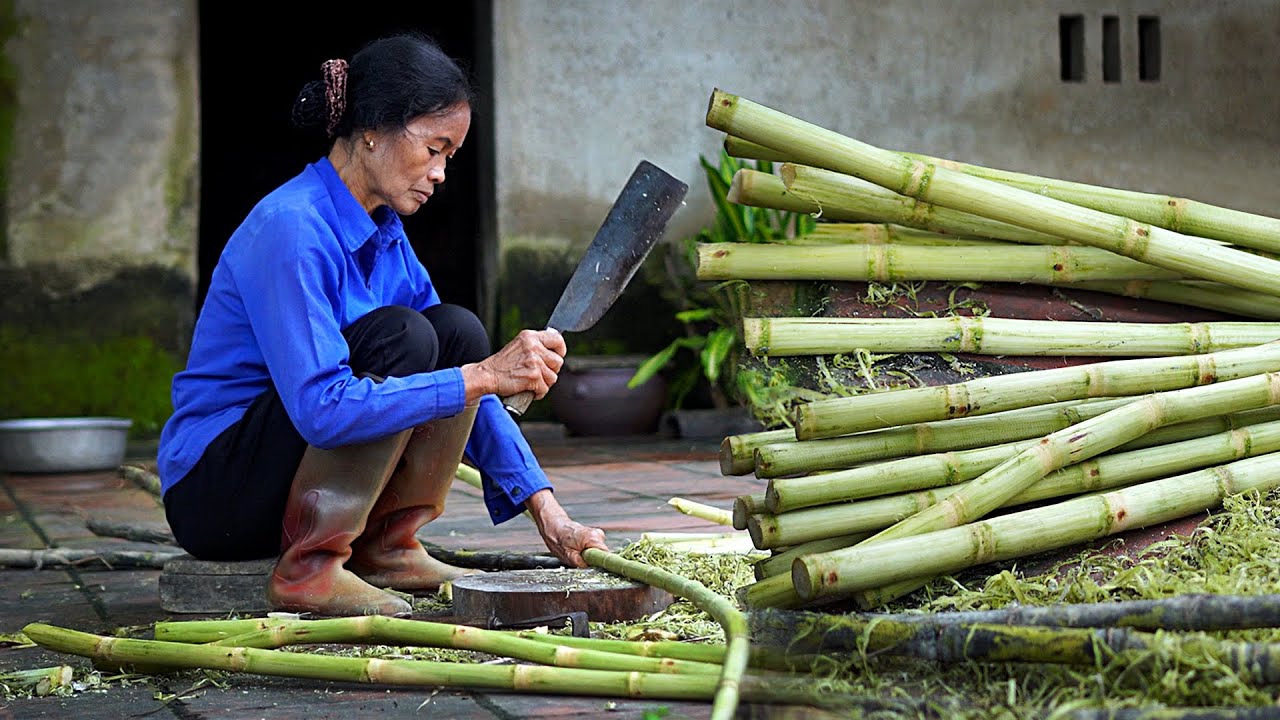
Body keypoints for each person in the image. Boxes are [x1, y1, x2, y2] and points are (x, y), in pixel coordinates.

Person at [156, 31, 609, 617]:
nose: (442, 173)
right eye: (435, 149)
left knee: (457, 332)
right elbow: (321, 407)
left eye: (451, 156)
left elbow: (465, 369)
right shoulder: (291, 229)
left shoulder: (386, 235)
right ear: (372, 130)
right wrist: (480, 377)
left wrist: (550, 513)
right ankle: (310, 568)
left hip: (286, 478)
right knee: (409, 337)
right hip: (217, 495)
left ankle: (388, 546)